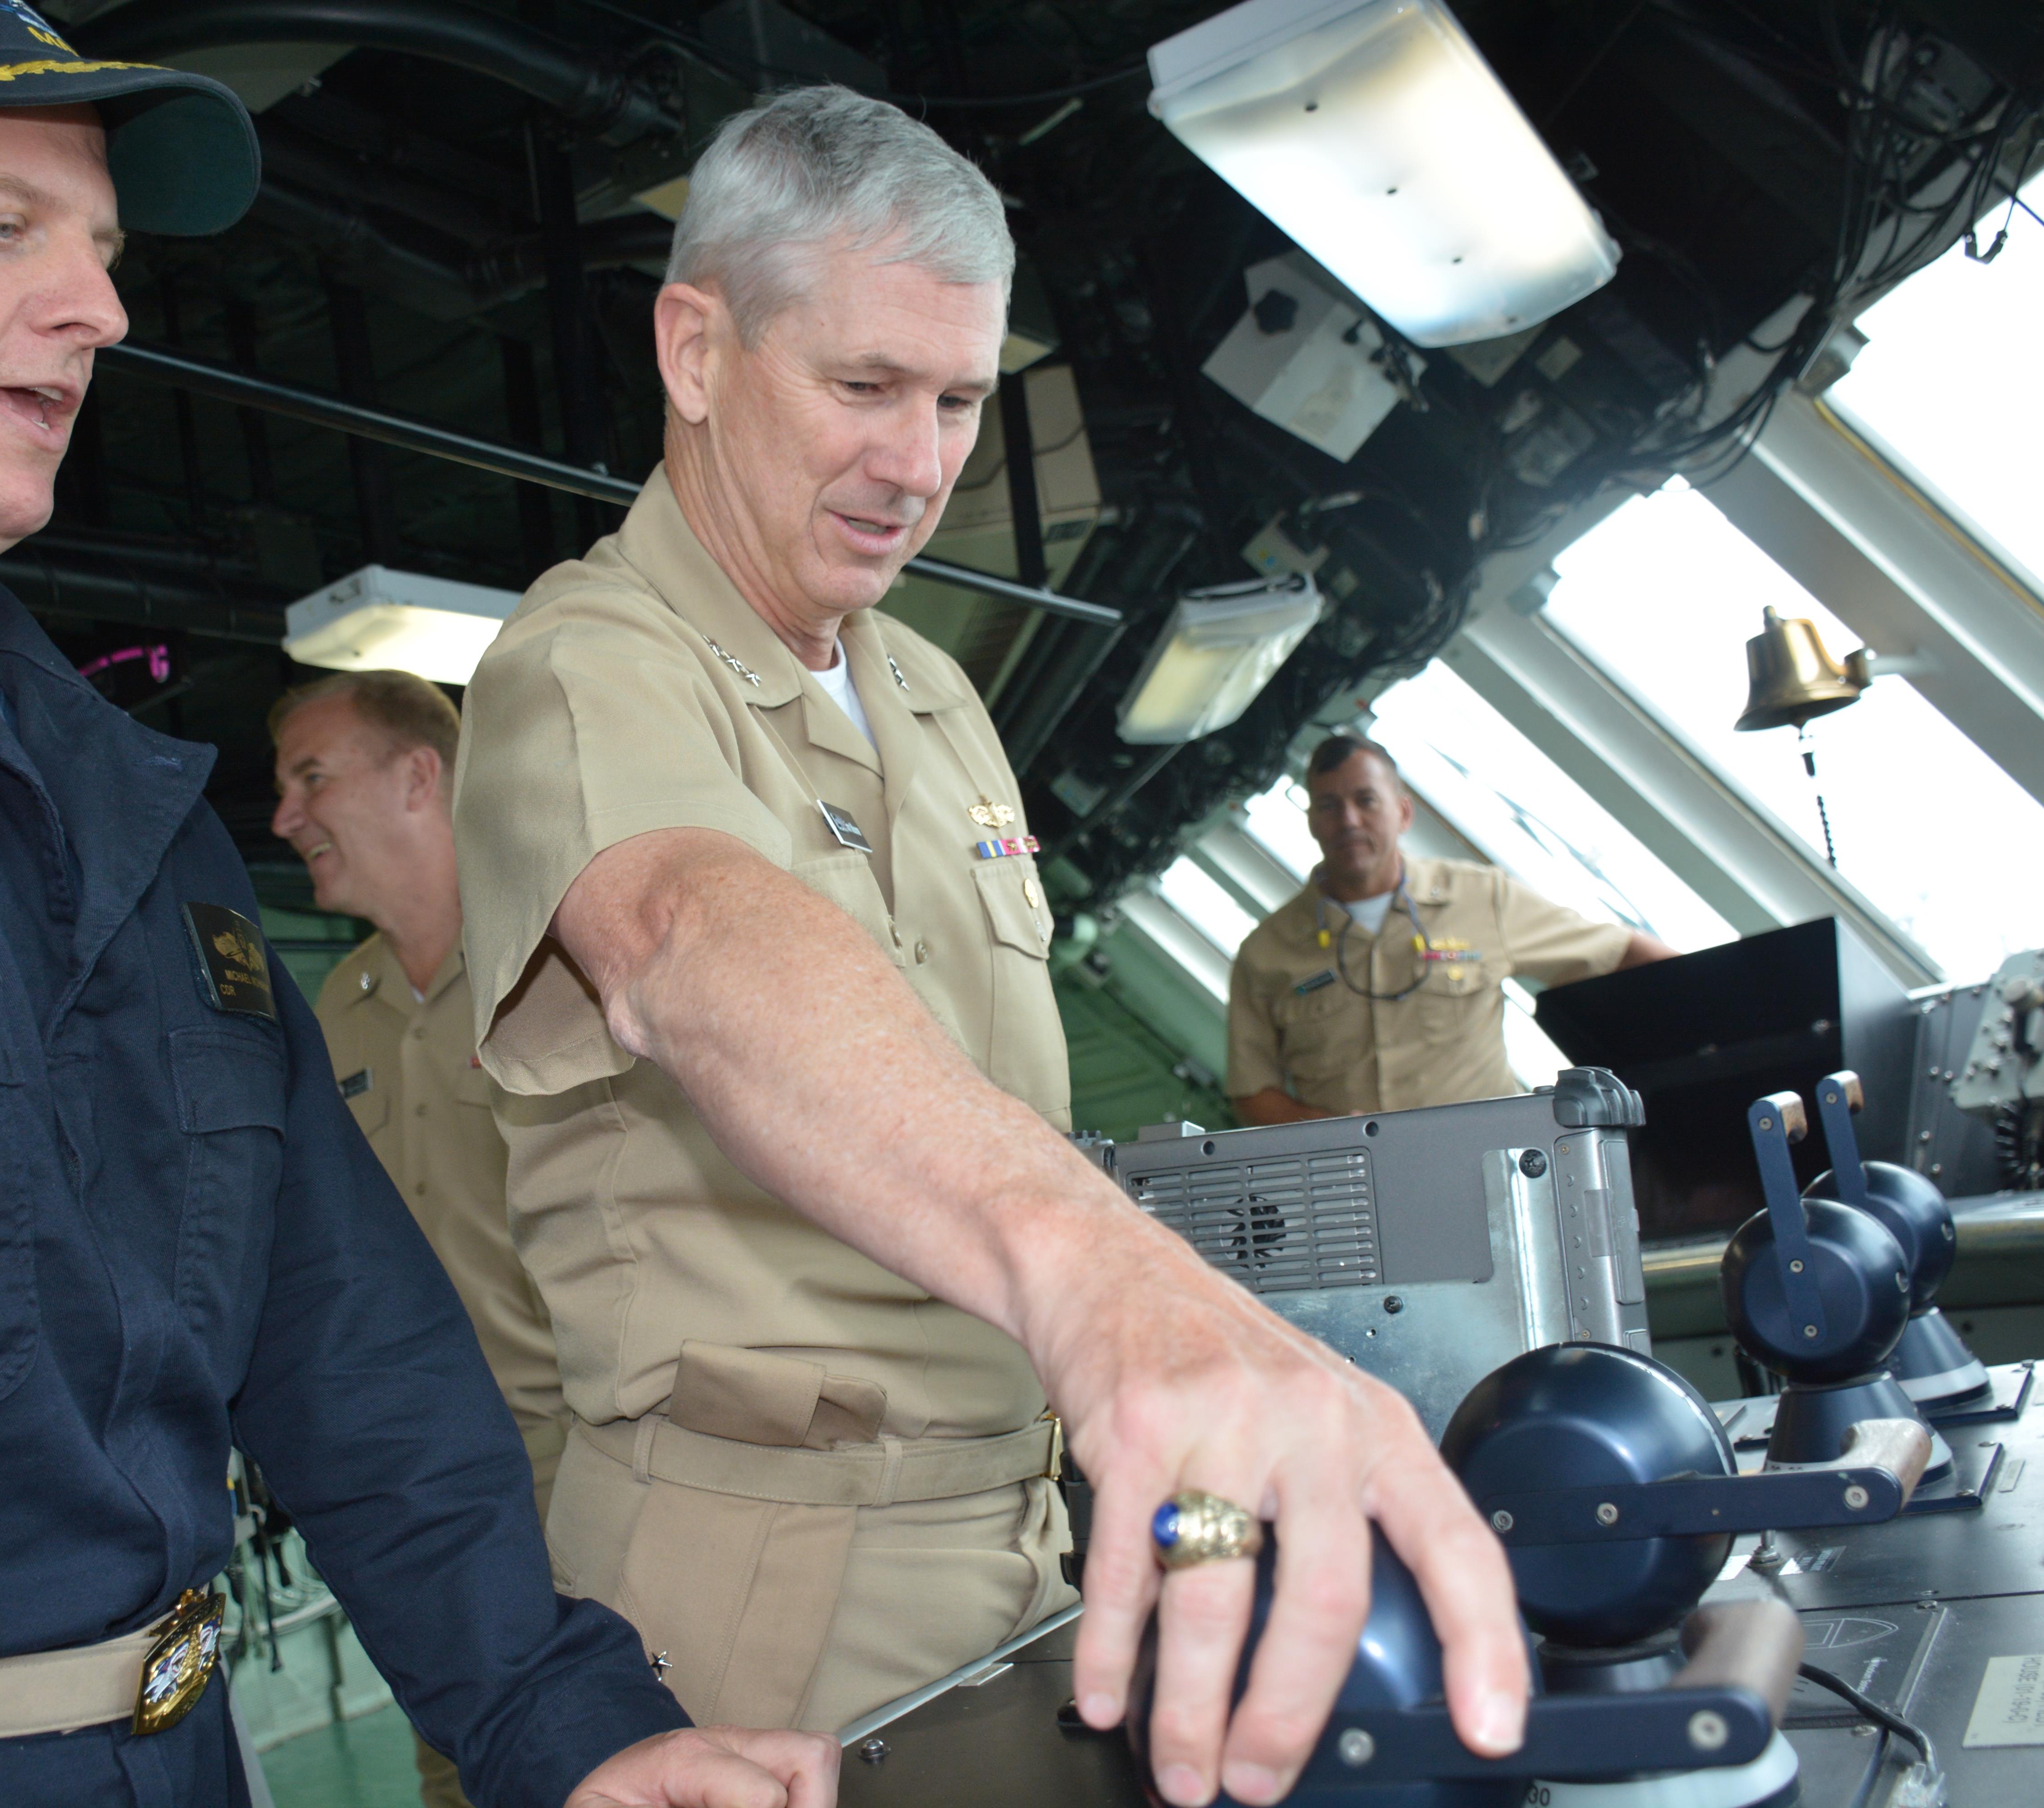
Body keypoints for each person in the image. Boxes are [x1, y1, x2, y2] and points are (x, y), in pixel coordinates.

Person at [0, 3, 831, 1804]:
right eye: (1, 228)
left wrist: (564, 1723)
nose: (103, 307)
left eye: (102, 251)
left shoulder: (117, 791)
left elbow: (346, 1338)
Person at [453, 85, 1530, 1808]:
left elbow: (976, 1089)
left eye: (961, 397)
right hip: (756, 1577)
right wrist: (1107, 1282)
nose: (919, 462)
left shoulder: (934, 694)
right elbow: (696, 938)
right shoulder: (589, 660)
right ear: (697, 349)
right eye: (863, 385)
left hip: (1018, 1515)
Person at [271, 669, 571, 1808]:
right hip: (424, 1484)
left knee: (621, 1750)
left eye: (311, 776)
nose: (286, 817)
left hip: (590, 1459)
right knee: (462, 1769)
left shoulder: (566, 958)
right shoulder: (332, 1011)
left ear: (418, 774)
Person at [1228, 734, 1679, 1125]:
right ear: (1311, 822)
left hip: (1491, 1166)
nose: (1348, 820)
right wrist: (1322, 1131)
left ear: (1404, 813)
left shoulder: (1483, 898)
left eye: (1366, 800)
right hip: (1351, 1186)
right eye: (1329, 806)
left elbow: (1619, 952)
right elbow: (1251, 1089)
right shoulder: (1266, 953)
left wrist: (1719, 1001)